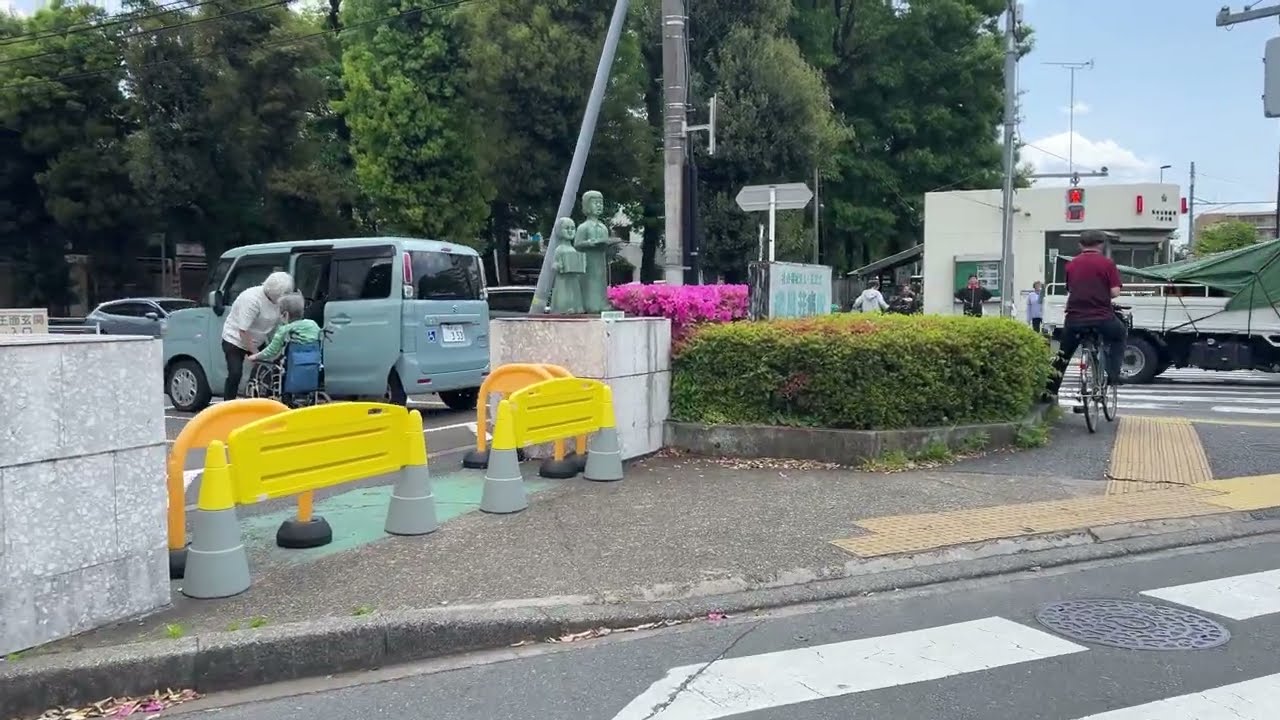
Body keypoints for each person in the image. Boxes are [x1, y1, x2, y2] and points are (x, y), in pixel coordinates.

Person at [1045, 230, 1127, 400]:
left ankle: (1049, 391)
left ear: (1080, 245)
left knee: (1063, 354)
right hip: (1102, 317)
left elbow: (1069, 288)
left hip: (1075, 318)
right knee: (1120, 335)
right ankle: (1113, 374)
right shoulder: (1107, 264)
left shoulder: (1071, 264)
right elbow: (1114, 292)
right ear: (1101, 244)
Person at [221, 271, 294, 400]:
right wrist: (254, 353)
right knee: (235, 373)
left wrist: (276, 346)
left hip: (258, 338)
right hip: (236, 338)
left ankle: (260, 398)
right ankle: (228, 403)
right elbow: (243, 330)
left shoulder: (279, 301)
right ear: (276, 292)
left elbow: (277, 325)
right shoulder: (252, 300)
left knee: (269, 368)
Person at [247, 292, 321, 364]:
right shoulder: (312, 324)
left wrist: (255, 356)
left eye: (279, 312)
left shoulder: (284, 330)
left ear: (286, 314)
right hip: (314, 364)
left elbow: (272, 350)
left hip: (294, 365)